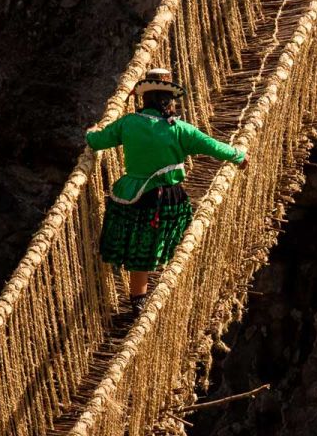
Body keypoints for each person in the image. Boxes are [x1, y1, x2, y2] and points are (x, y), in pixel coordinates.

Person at [86, 68, 249, 316]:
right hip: (167, 198)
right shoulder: (181, 130)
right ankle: (170, 283)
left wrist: (91, 131)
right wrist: (239, 156)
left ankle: (138, 300)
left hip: (131, 195)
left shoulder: (128, 123)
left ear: (145, 99)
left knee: (138, 247)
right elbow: (214, 147)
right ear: (168, 101)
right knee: (174, 241)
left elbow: (97, 141)